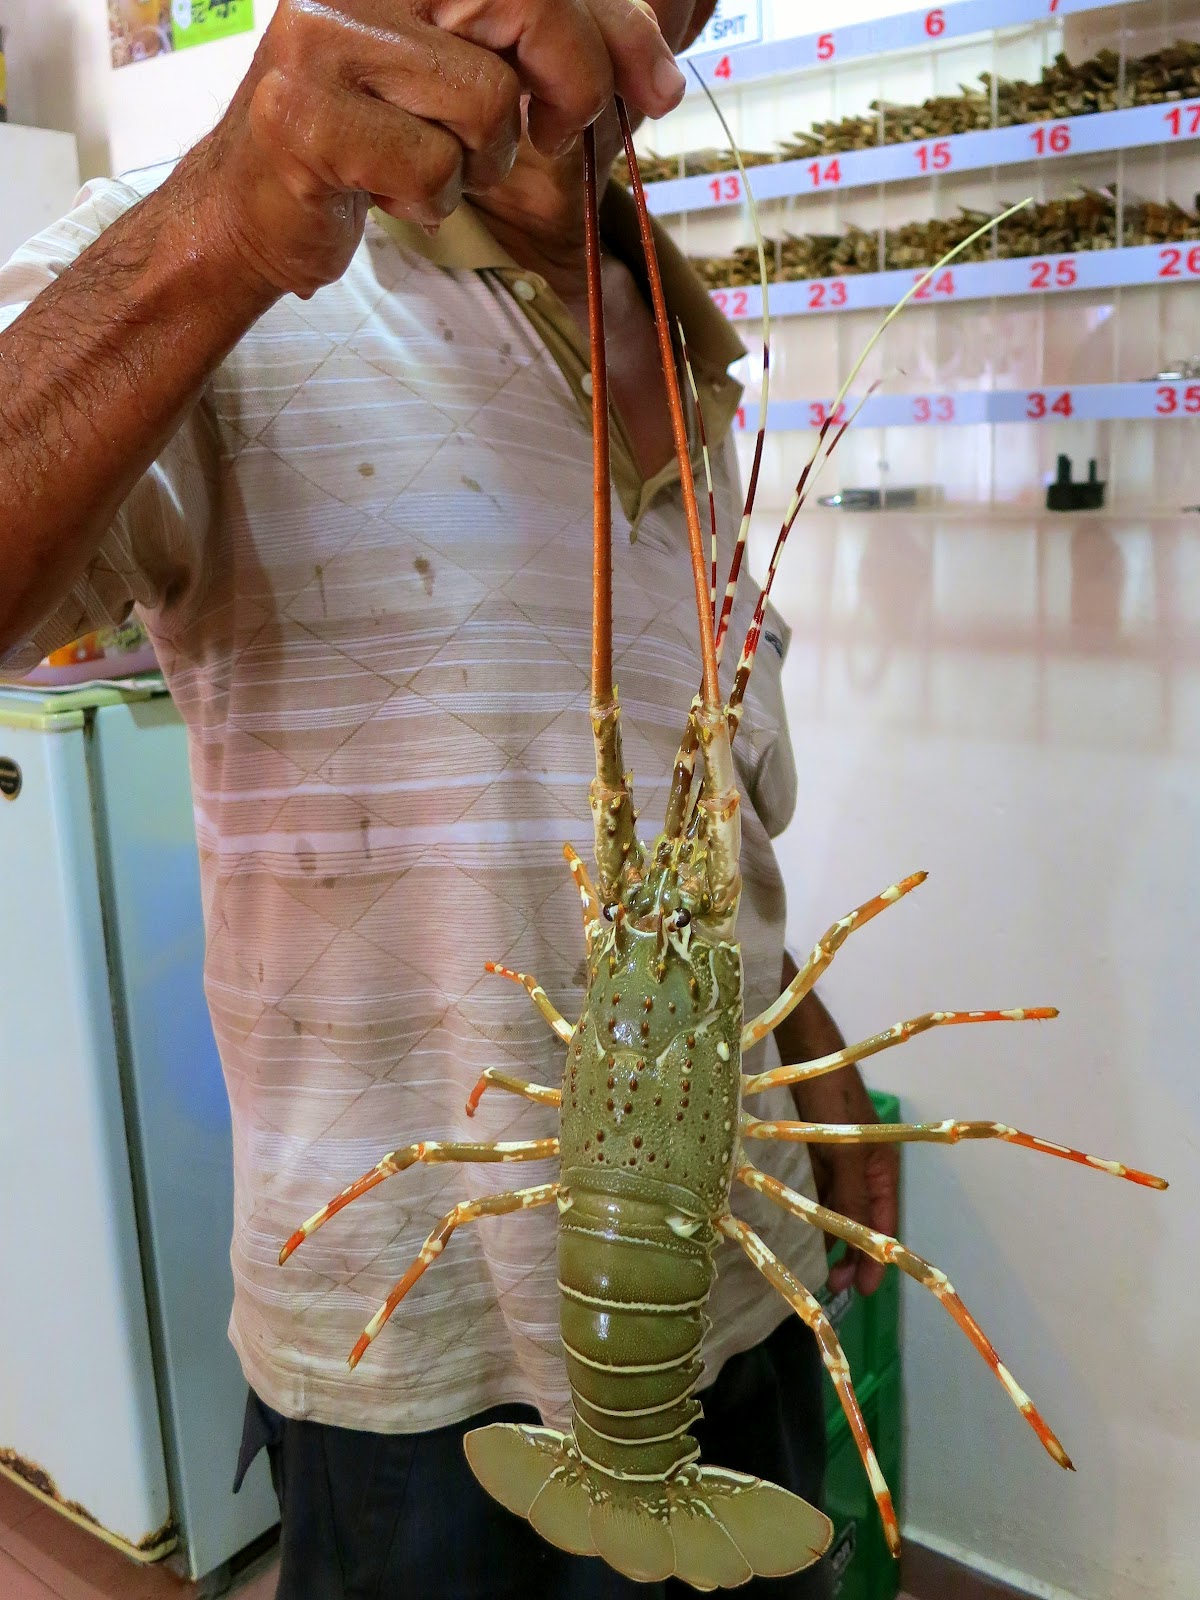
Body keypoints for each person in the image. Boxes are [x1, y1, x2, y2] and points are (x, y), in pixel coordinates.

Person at [0, 2, 898, 1594]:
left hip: (740, 1297)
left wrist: (807, 1052)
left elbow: (684, 817)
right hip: (415, 1379)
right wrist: (221, 211)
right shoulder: (227, 250)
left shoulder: (701, 375)